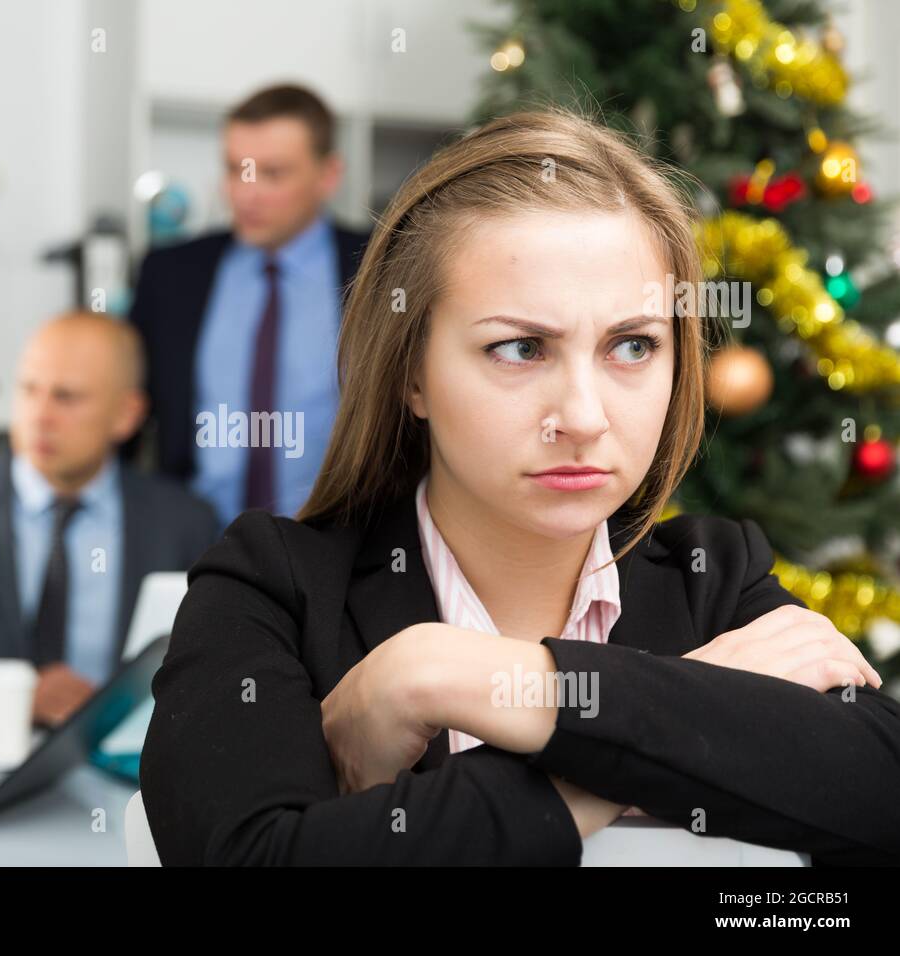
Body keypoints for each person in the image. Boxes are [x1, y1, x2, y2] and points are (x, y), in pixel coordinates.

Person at [139, 108, 900, 866]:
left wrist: (445, 676)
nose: (583, 416)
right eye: (520, 348)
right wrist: (672, 720)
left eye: (632, 345)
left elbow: (879, 791)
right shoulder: (270, 587)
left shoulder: (716, 579)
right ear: (411, 373)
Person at [0, 311, 220, 725]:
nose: (40, 415)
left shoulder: (186, 524)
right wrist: (12, 700)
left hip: (131, 775)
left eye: (66, 397)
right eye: (29, 390)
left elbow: (210, 671)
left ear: (126, 414)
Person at [129, 83, 369, 526]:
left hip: (339, 546)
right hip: (197, 547)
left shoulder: (378, 269)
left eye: (273, 174)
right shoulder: (170, 274)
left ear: (328, 175)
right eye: (236, 169)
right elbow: (129, 413)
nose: (246, 194)